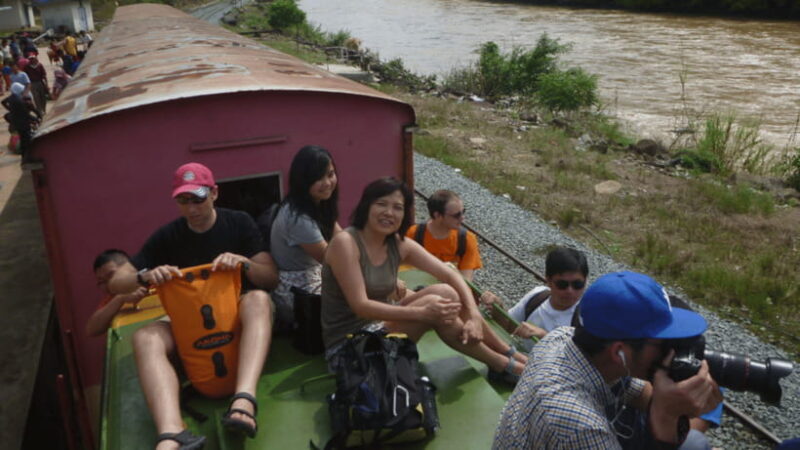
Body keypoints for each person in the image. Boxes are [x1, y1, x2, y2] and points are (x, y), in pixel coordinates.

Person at [108, 162, 279, 450]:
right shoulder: (166, 237)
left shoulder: (239, 223)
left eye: (198, 199)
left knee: (258, 299)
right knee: (145, 337)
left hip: (235, 315)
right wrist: (144, 276)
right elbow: (116, 282)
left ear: (214, 193)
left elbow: (271, 277)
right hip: (188, 324)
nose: (191, 209)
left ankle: (244, 400)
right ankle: (171, 431)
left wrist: (244, 263)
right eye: (183, 201)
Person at [322, 177, 528, 385]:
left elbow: (451, 275)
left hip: (381, 327)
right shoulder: (346, 243)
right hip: (350, 349)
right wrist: (422, 313)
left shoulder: (397, 244)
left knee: (446, 292)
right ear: (366, 206)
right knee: (434, 304)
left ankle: (506, 351)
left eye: (397, 207)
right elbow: (360, 306)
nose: (389, 213)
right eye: (381, 204)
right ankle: (501, 365)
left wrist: (474, 315)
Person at [493, 271, 722, 450]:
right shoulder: (580, 427)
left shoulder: (563, 339)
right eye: (663, 343)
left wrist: (679, 396)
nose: (671, 350)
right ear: (619, 353)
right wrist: (667, 418)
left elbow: (639, 392)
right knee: (694, 444)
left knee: (694, 442)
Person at [269, 145, 341, 324]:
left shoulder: (319, 203)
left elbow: (343, 241)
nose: (327, 183)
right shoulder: (297, 217)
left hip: (316, 275)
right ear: (303, 181)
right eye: (318, 178)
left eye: (330, 174)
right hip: (298, 291)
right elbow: (333, 260)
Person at [481, 247, 588, 350]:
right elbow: (508, 327)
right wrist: (497, 308)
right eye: (562, 284)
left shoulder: (587, 315)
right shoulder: (537, 296)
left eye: (577, 284)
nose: (570, 291)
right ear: (548, 281)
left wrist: (544, 336)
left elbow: (585, 357)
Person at [405, 189, 482, 281]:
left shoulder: (467, 239)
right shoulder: (413, 234)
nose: (462, 218)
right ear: (437, 215)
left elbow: (466, 281)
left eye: (463, 212)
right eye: (456, 215)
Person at [86, 249, 148, 337]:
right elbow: (91, 330)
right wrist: (120, 299)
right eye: (102, 282)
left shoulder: (150, 278)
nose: (108, 285)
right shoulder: (113, 298)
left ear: (129, 267)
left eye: (111, 275)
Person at [2, 82, 41, 166]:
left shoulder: (12, 98)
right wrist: (36, 119)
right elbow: (26, 114)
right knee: (27, 142)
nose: (22, 91)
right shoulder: (19, 101)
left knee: (23, 142)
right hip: (23, 125)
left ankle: (24, 159)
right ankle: (28, 159)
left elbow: (3, 102)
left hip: (18, 123)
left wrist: (11, 109)